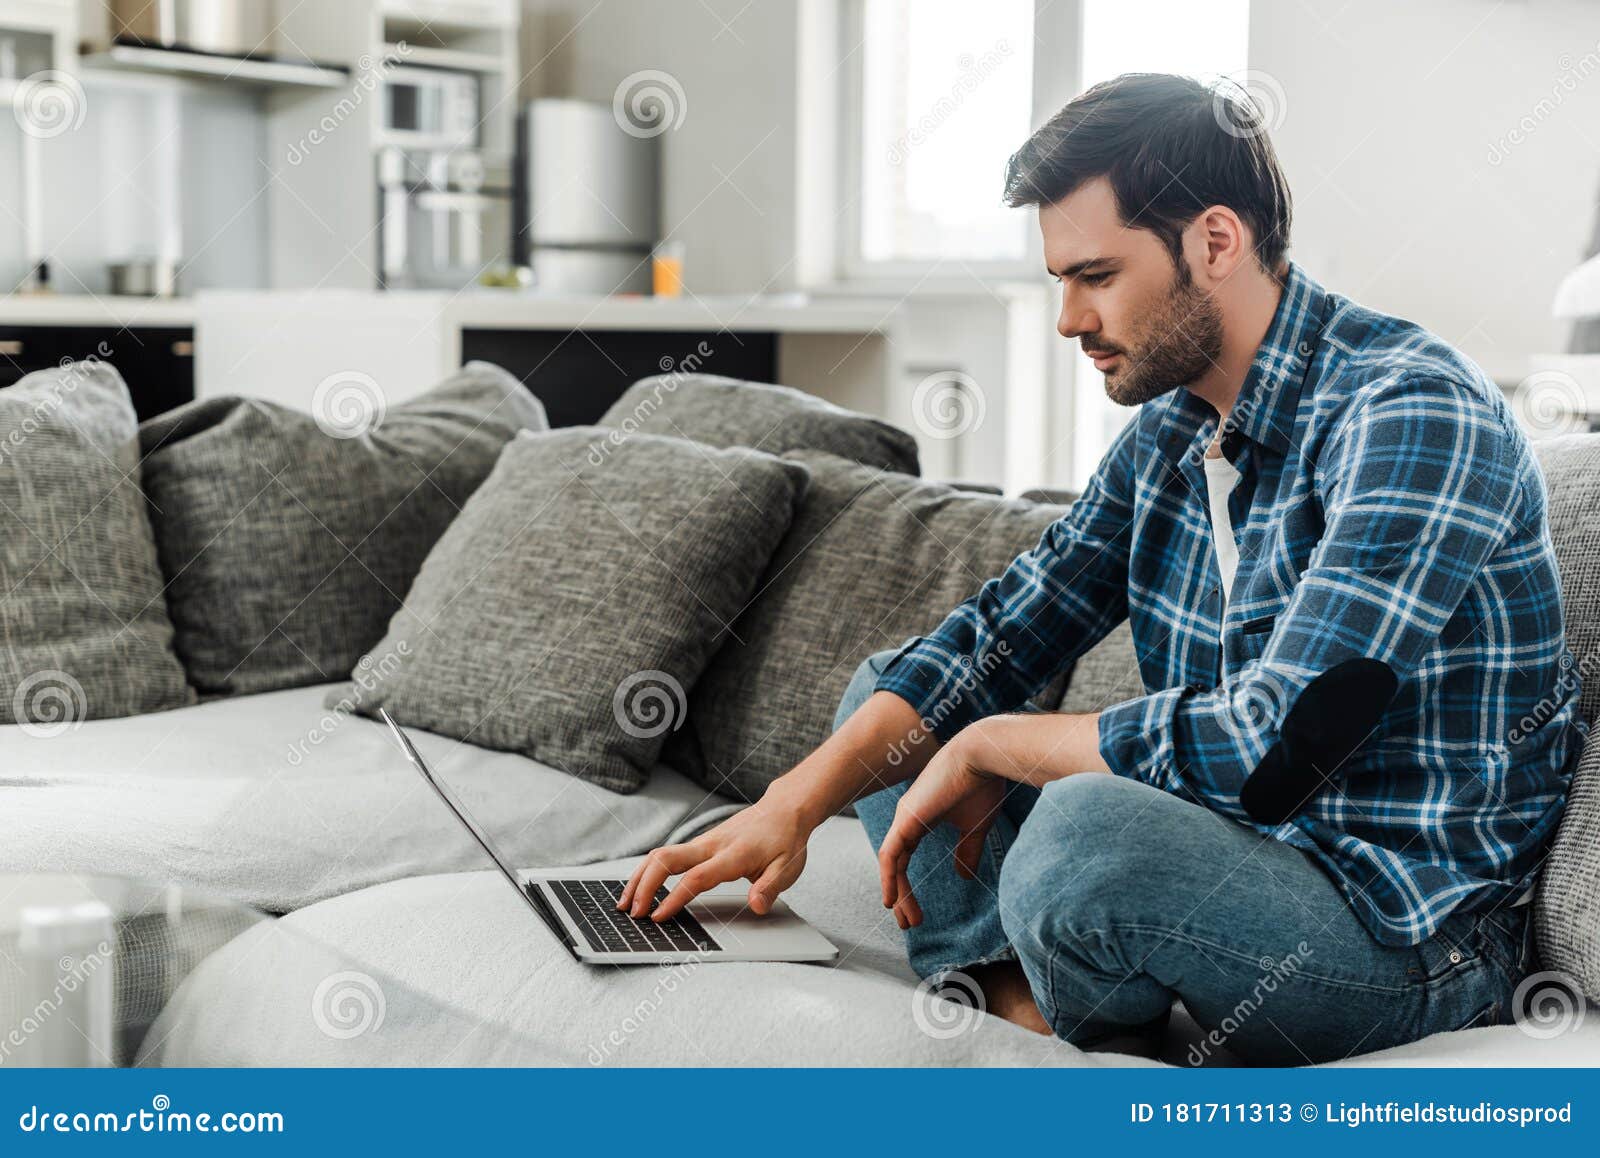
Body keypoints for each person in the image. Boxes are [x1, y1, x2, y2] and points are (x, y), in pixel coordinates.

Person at [618, 73, 1584, 1064]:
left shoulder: (1413, 413)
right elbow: (998, 636)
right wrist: (787, 806)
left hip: (1405, 934)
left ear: (1215, 242)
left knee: (1082, 834)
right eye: (1060, 282)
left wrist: (994, 745)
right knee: (893, 696)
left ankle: (1061, 1006)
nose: (1068, 320)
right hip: (1227, 854)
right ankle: (1021, 1002)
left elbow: (1275, 744)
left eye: (1097, 276)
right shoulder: (1173, 430)